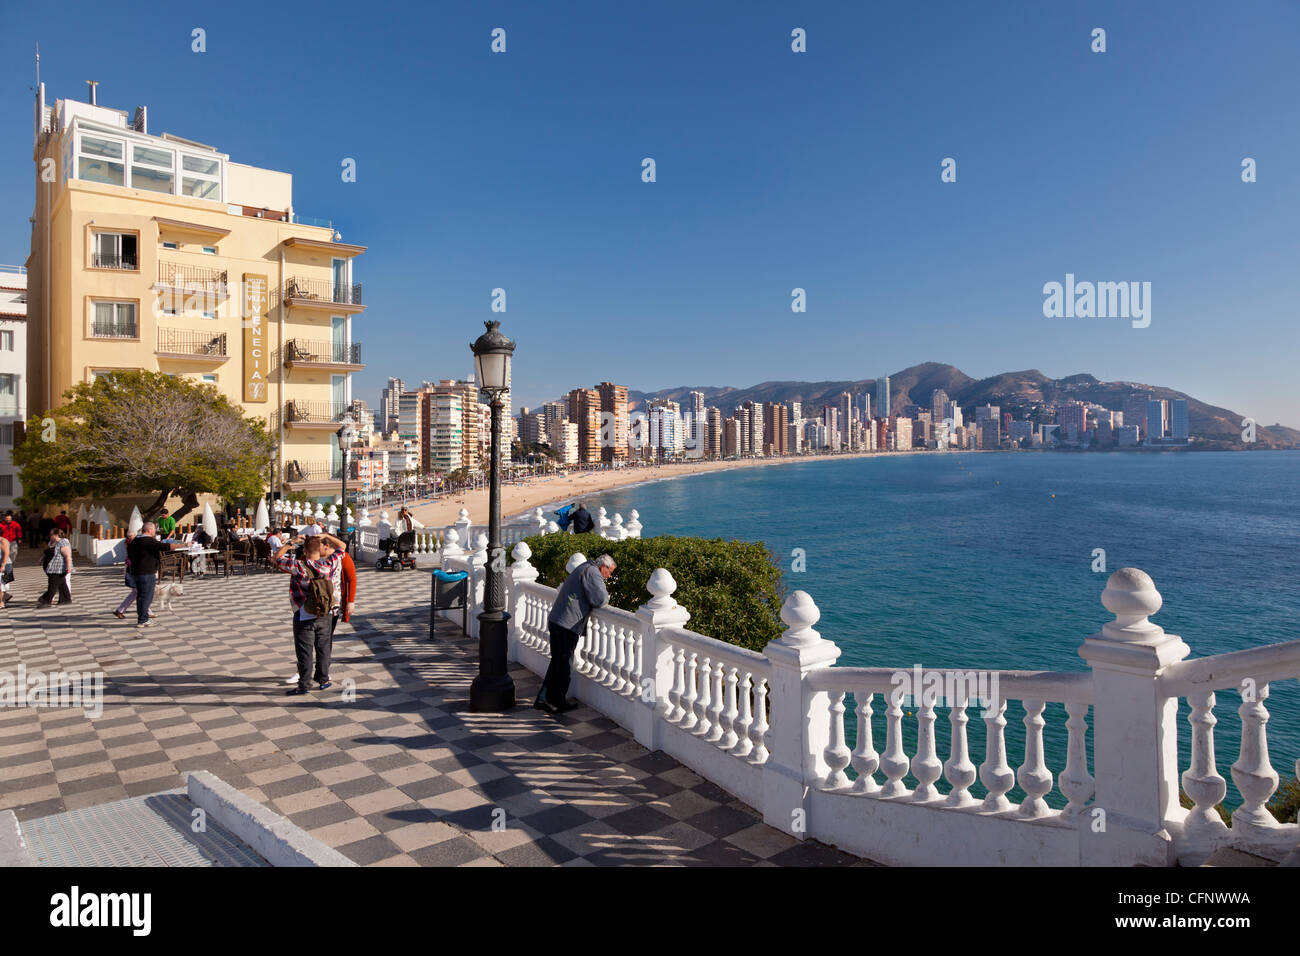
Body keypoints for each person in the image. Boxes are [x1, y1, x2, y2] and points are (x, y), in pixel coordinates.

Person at [536, 554, 616, 713]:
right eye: (610, 572)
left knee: (557, 662)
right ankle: (558, 701)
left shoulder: (584, 567)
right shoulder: (593, 572)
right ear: (603, 567)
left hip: (558, 620)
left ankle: (543, 699)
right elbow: (600, 599)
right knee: (564, 664)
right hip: (566, 624)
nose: (610, 576)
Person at [274, 531, 346, 695]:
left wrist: (289, 544)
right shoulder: (328, 565)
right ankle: (324, 680)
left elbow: (277, 559)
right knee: (323, 648)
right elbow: (342, 547)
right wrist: (325, 536)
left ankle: (304, 685)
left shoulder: (299, 566)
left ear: (305, 551)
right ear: (321, 550)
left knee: (304, 651)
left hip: (304, 615)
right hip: (325, 614)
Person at [127, 522, 184, 628]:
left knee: (141, 596)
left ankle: (142, 619)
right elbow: (166, 546)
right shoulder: (148, 541)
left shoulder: (135, 541)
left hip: (136, 572)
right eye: (154, 530)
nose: (155, 532)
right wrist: (185, 545)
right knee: (146, 597)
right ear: (149, 530)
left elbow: (129, 554)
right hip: (146, 573)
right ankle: (143, 620)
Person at [36, 529, 75, 608]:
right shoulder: (51, 543)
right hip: (51, 567)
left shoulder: (63, 542)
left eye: (51, 535)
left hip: (59, 568)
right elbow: (48, 553)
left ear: (56, 535)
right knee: (62, 584)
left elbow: (67, 556)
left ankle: (46, 601)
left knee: (53, 584)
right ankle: (65, 599)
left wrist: (69, 566)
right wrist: (41, 559)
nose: (49, 536)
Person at [0, 533, 12, 609]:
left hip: (5, 565)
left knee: (2, 585)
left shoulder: (3, 541)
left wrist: (3, 565)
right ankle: (6, 596)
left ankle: (1, 602)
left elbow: (6, 553)